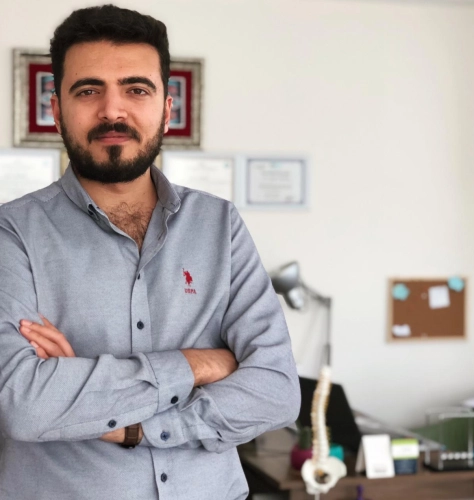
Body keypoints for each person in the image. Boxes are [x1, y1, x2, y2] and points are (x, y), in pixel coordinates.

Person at [0, 5, 300, 500]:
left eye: (136, 89)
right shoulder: (12, 232)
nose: (112, 111)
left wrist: (129, 424)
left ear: (166, 108)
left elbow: (277, 391)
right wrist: (196, 365)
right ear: (56, 109)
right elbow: (24, 404)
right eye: (88, 90)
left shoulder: (219, 225)